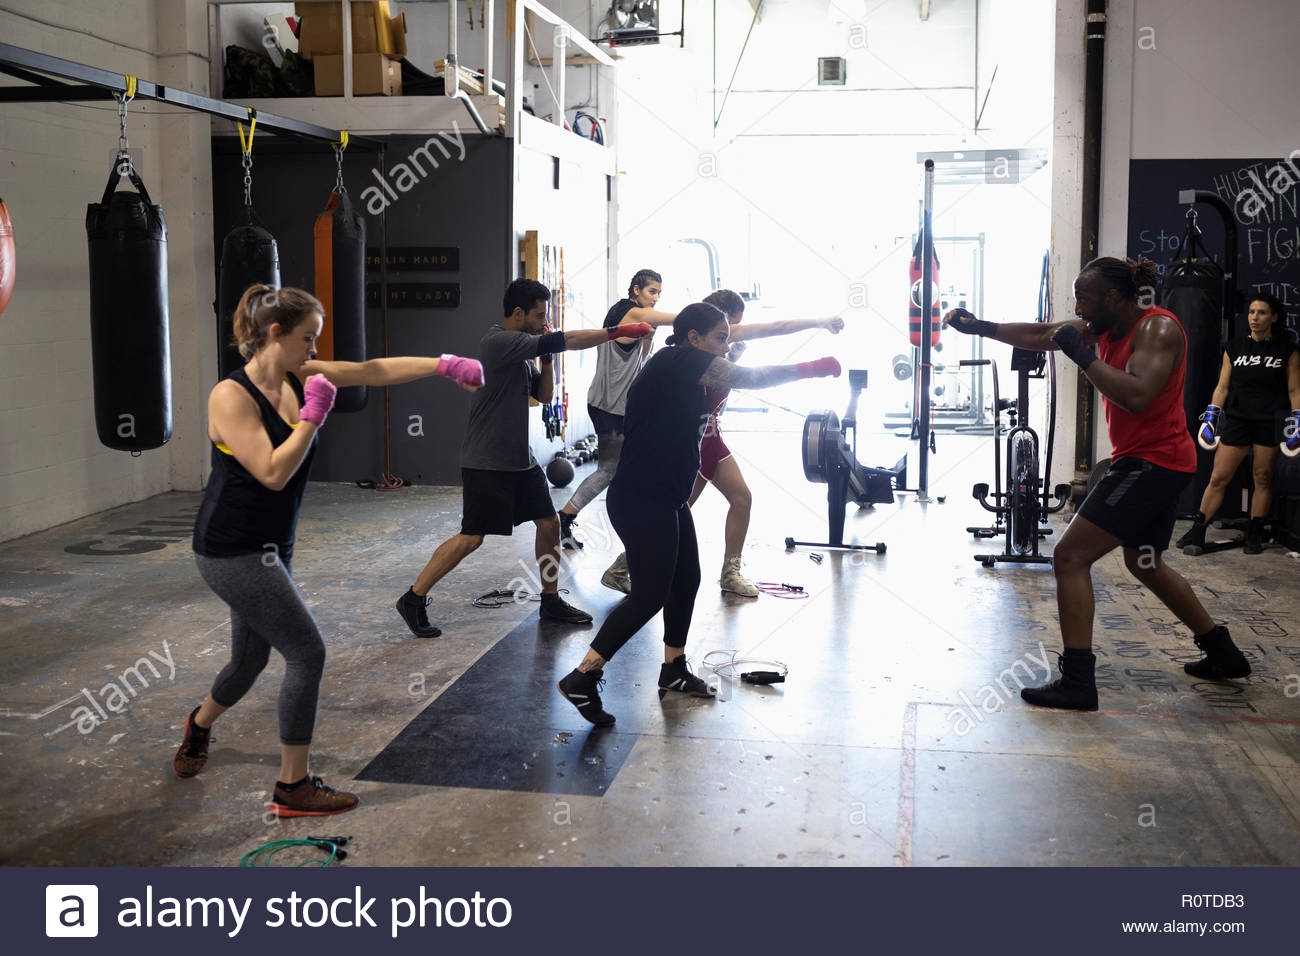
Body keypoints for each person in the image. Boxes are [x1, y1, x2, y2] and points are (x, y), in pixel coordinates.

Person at [174, 284, 485, 816]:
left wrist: (443, 364)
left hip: (273, 547)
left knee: (247, 662)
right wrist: (311, 419)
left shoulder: (299, 375)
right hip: (231, 550)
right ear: (275, 334)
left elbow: (374, 370)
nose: (316, 350)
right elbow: (272, 473)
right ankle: (292, 787)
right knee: (307, 651)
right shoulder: (230, 396)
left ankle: (198, 725)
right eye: (308, 338)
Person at [945, 256, 1252, 712]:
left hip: (1152, 465)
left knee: (1069, 557)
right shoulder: (1103, 327)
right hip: (1156, 462)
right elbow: (1038, 333)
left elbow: (1136, 395)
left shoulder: (1156, 330)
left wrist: (1081, 355)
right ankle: (1223, 654)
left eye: (1084, 297)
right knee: (1146, 564)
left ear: (1112, 296)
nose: (1078, 306)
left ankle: (1078, 682)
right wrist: (981, 327)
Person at [555, 302, 843, 726]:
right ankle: (582, 676)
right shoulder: (680, 360)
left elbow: (738, 367)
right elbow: (754, 378)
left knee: (686, 579)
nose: (727, 347)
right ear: (694, 339)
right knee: (650, 595)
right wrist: (814, 367)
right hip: (641, 499)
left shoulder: (685, 364)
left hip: (667, 497)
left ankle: (672, 669)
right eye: (721, 338)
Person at [394, 278, 655, 638]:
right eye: (538, 314)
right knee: (472, 538)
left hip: (521, 459)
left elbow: (544, 396)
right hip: (487, 461)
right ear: (518, 313)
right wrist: (616, 331)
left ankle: (550, 601)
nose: (543, 320)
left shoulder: (521, 352)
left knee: (549, 524)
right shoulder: (499, 342)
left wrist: (546, 361)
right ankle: (413, 596)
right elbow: (571, 339)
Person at [557, 270, 676, 586]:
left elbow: (637, 363)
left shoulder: (638, 320)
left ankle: (568, 520)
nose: (655, 298)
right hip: (608, 409)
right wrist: (707, 321)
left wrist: (649, 337)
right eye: (652, 291)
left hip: (620, 408)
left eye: (659, 293)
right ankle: (565, 520)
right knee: (610, 470)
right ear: (636, 290)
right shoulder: (630, 310)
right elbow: (675, 319)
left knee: (623, 470)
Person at [1177, 294, 1300, 554]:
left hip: (1269, 420)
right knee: (1219, 477)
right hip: (1238, 419)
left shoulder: (1287, 350)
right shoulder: (1234, 347)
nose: (1255, 317)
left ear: (1273, 317)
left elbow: (1294, 391)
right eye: (1252, 312)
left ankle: (1255, 532)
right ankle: (1198, 529)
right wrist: (1211, 416)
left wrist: (1296, 420)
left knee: (1262, 477)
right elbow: (1222, 387)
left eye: (1262, 312)